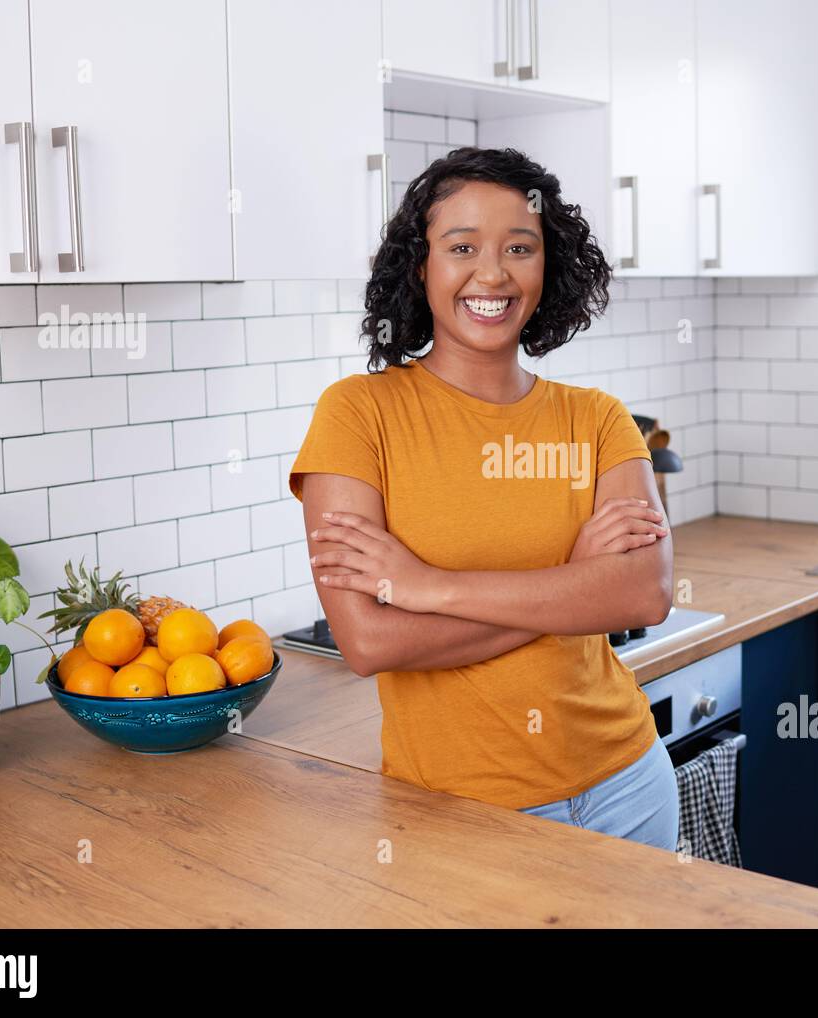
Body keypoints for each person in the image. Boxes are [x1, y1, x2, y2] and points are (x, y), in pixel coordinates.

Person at [288, 146, 679, 851]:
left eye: (520, 247)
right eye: (462, 246)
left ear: (546, 267)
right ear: (421, 265)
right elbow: (370, 641)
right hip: (460, 813)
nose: (492, 273)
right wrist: (574, 587)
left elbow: (644, 594)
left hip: (629, 780)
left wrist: (427, 586)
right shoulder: (357, 415)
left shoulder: (598, 418)